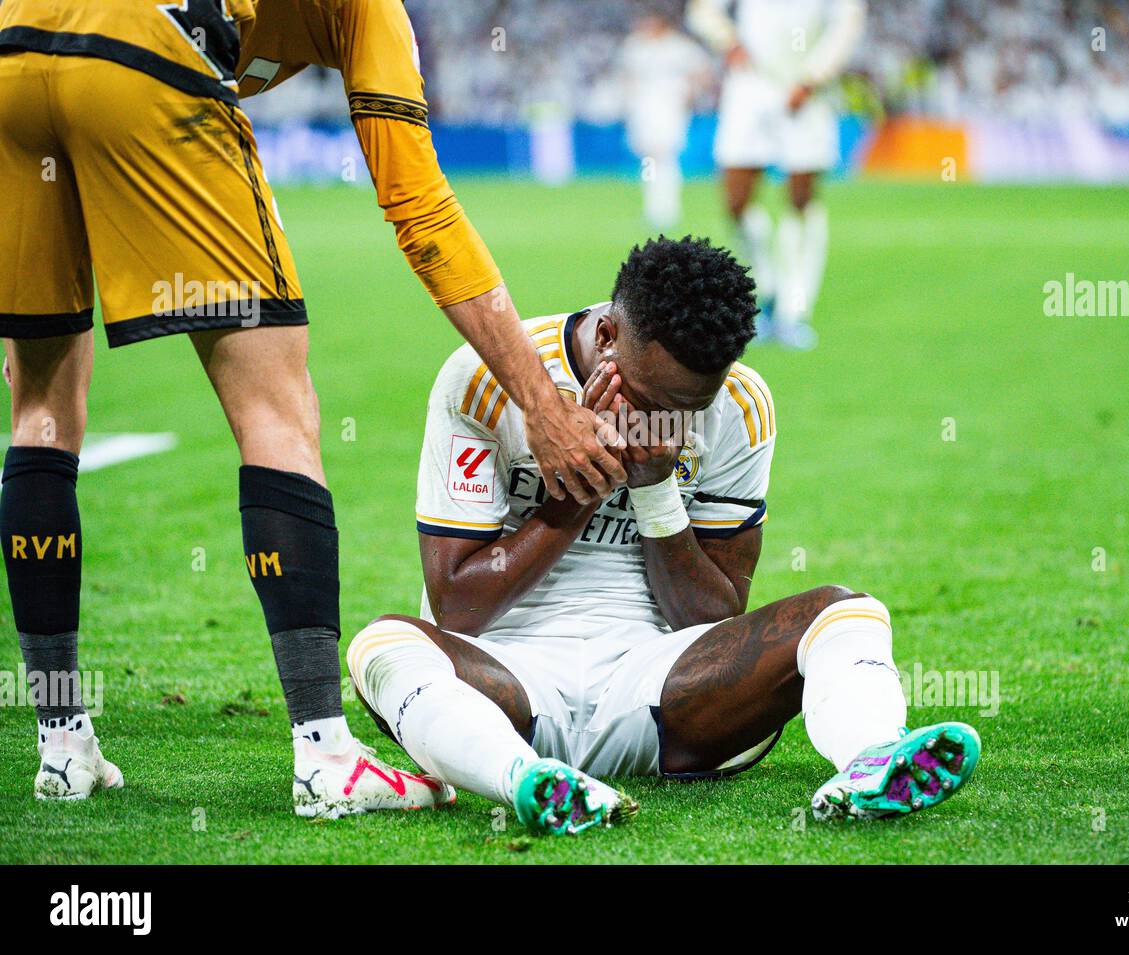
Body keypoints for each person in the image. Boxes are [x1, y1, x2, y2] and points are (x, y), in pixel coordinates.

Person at [0, 0, 622, 817]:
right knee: (277, 412)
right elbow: (419, 205)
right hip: (145, 54)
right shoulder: (372, 13)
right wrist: (540, 400)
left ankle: (62, 745)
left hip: (13, 55)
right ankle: (326, 757)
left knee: (41, 409)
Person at [346, 237, 980, 835]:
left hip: (667, 691)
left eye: (689, 408)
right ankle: (525, 782)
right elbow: (460, 606)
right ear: (607, 335)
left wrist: (655, 489)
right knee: (383, 646)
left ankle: (871, 762)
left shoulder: (740, 404)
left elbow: (709, 616)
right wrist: (578, 491)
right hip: (505, 682)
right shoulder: (489, 379)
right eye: (650, 398)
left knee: (848, 612)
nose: (666, 421)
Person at [687, 0, 865, 349]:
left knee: (800, 200)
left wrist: (815, 76)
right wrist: (728, 41)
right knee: (735, 202)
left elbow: (847, 24)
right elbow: (703, 9)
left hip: (805, 88)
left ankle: (794, 310)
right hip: (752, 85)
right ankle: (765, 290)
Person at [619, 11, 711, 230]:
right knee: (650, 159)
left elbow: (702, 72)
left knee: (667, 157)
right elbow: (626, 76)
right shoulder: (636, 46)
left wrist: (690, 95)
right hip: (644, 109)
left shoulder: (679, 47)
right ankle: (653, 208)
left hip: (670, 108)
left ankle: (668, 209)